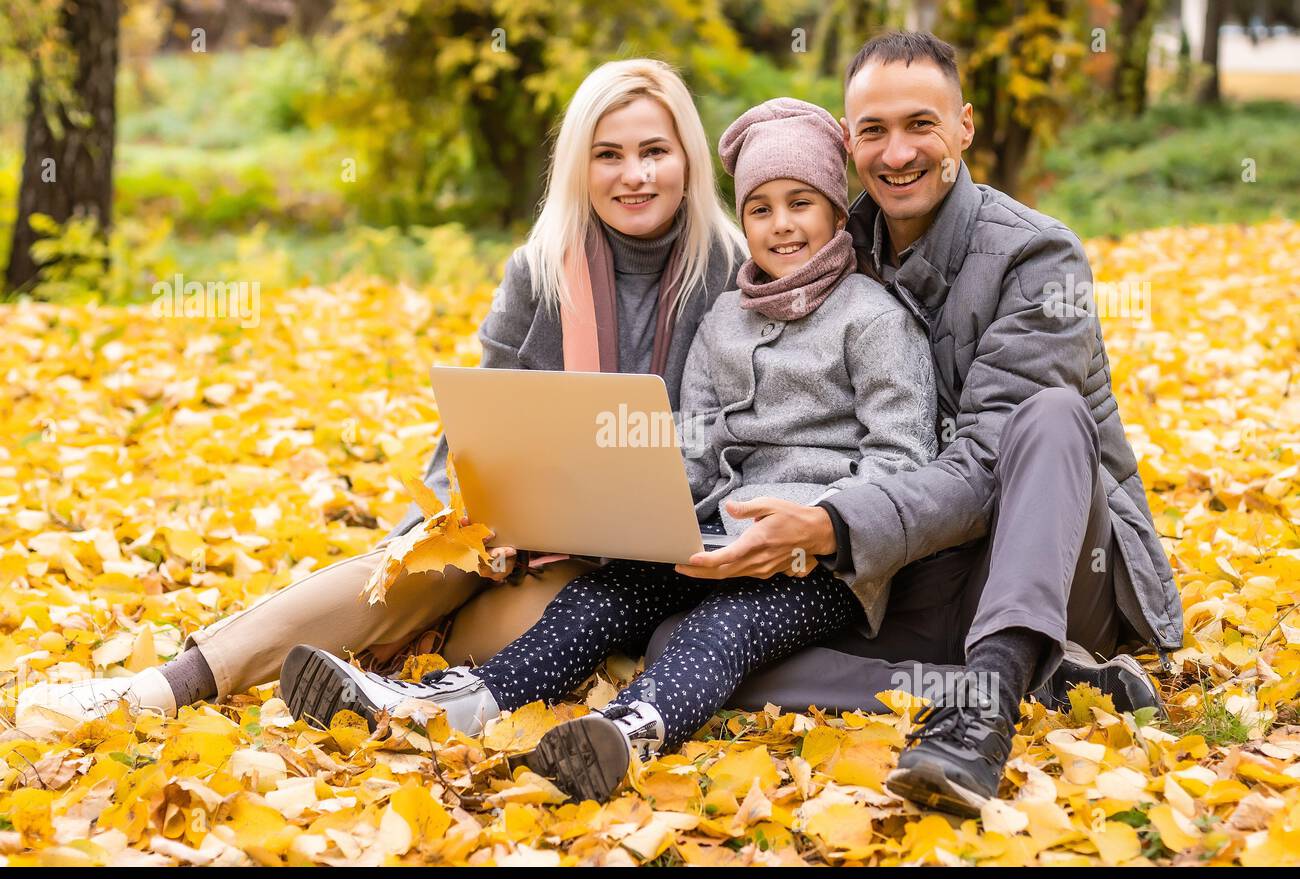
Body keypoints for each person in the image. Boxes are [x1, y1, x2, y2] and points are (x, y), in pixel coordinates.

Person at [14, 58, 744, 738]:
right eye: (608, 155)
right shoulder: (540, 273)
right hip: (514, 539)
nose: (634, 175)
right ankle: (157, 688)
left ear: (688, 158)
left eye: (655, 151)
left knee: (514, 630)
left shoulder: (733, 276)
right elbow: (470, 433)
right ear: (579, 167)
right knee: (412, 569)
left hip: (633, 573)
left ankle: (375, 674)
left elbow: (737, 442)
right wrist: (480, 518)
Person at [279, 98, 939, 802]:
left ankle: (629, 731)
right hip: (718, 538)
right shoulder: (726, 320)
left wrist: (818, 528)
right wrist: (643, 515)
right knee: (597, 600)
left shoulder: (875, 320)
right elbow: (698, 444)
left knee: (721, 628)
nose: (781, 225)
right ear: (743, 221)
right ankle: (444, 705)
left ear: (839, 212)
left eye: (801, 203)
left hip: (819, 565)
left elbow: (901, 463)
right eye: (761, 209)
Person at [662, 31, 1184, 817]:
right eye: (873, 131)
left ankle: (985, 709)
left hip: (1061, 561)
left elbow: (982, 466)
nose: (897, 152)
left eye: (921, 125)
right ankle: (1024, 678)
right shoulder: (831, 252)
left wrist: (828, 524)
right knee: (684, 651)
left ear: (964, 128)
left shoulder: (1037, 258)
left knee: (1049, 416)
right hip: (918, 572)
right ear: (847, 142)